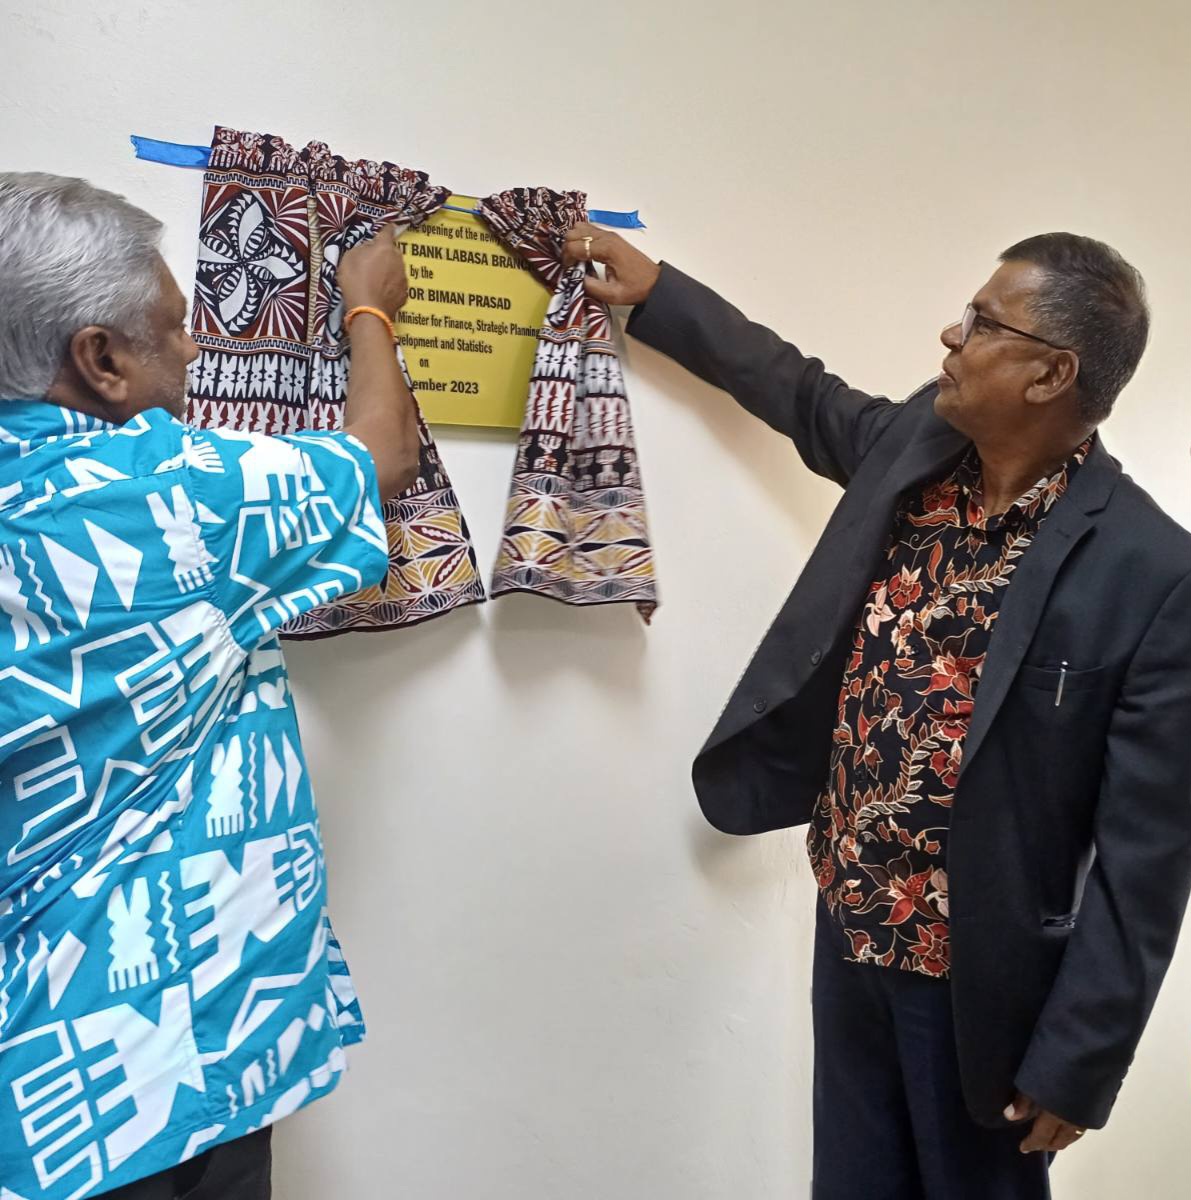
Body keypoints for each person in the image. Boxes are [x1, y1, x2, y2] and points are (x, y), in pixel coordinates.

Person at [564, 223, 1191, 1198]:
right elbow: (802, 394)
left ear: (1048, 374)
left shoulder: (1149, 571)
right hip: (852, 925)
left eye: (984, 322)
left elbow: (1148, 854)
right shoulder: (917, 446)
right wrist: (657, 297)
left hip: (979, 977)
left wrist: (1082, 1058)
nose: (952, 334)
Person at [0, 173, 419, 1199]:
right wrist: (369, 304)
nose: (192, 352)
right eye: (171, 329)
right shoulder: (162, 497)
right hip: (146, 1082)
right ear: (98, 360)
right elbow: (379, 459)